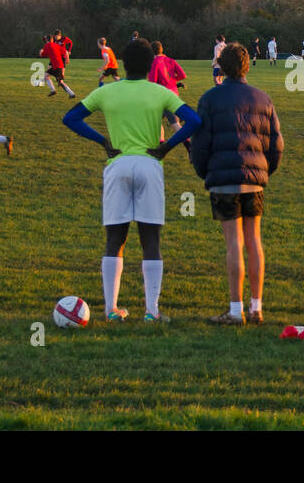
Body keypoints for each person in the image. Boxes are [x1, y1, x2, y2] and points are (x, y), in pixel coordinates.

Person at [61, 38, 201, 323]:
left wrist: (102, 140)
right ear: (151, 65)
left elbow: (71, 118)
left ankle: (111, 310)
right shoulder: (160, 92)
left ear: (122, 64)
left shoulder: (107, 91)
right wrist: (166, 146)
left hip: (118, 165)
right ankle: (152, 312)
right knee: (151, 239)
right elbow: (194, 121)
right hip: (150, 165)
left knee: (115, 239)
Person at [190, 43, 283, 325]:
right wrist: (264, 171)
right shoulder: (263, 98)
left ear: (221, 66)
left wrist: (204, 171)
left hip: (223, 179)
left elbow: (200, 144)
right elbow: (275, 144)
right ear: (247, 66)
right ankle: (256, 308)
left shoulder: (209, 99)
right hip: (254, 180)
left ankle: (234, 310)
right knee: (254, 240)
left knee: (234, 242)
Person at [148, 40, 187, 133]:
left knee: (174, 123)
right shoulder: (171, 60)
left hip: (163, 95)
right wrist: (172, 81)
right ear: (162, 49)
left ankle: (189, 145)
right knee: (154, 120)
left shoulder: (154, 62)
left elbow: (152, 82)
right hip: (174, 93)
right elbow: (183, 75)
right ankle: (159, 143)